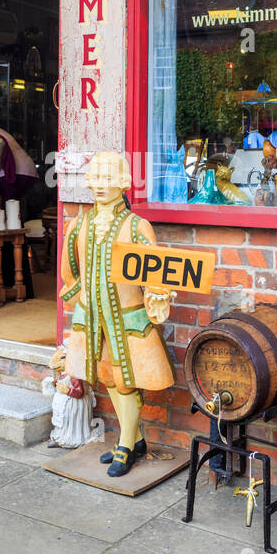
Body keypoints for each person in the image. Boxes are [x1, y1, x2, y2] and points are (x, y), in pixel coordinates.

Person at [51, 151, 176, 477]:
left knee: (127, 382)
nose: (101, 185)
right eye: (96, 178)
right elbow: (70, 271)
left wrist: (157, 297)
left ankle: (124, 445)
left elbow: (155, 272)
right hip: (93, 320)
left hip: (128, 319)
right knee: (108, 377)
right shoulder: (78, 226)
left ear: (123, 182)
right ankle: (134, 441)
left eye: (109, 178)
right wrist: (82, 300)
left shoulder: (137, 227)